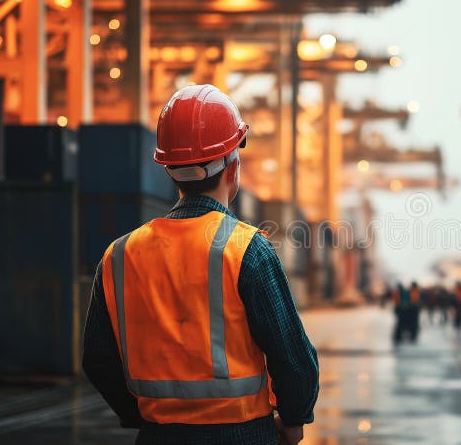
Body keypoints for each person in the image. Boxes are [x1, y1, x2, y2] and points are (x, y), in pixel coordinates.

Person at [82, 85, 319, 445]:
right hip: (243, 435)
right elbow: (292, 355)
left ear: (169, 170)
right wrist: (294, 417)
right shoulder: (247, 250)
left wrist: (141, 417)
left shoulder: (118, 255)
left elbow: (98, 359)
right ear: (233, 168)